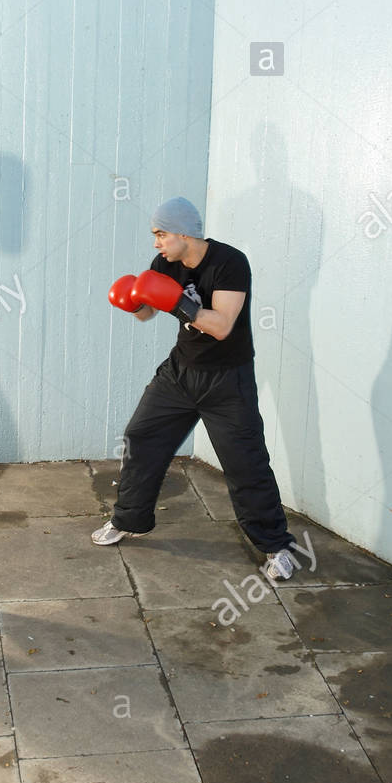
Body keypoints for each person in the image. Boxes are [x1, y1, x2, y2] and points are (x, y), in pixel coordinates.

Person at [92, 197, 297, 580]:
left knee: (245, 461)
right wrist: (133, 303)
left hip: (227, 378)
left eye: (161, 234)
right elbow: (148, 314)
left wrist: (179, 302)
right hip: (180, 372)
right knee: (141, 437)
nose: (156, 243)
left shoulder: (229, 262)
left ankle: (276, 546)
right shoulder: (164, 265)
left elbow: (221, 326)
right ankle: (129, 519)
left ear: (184, 233)